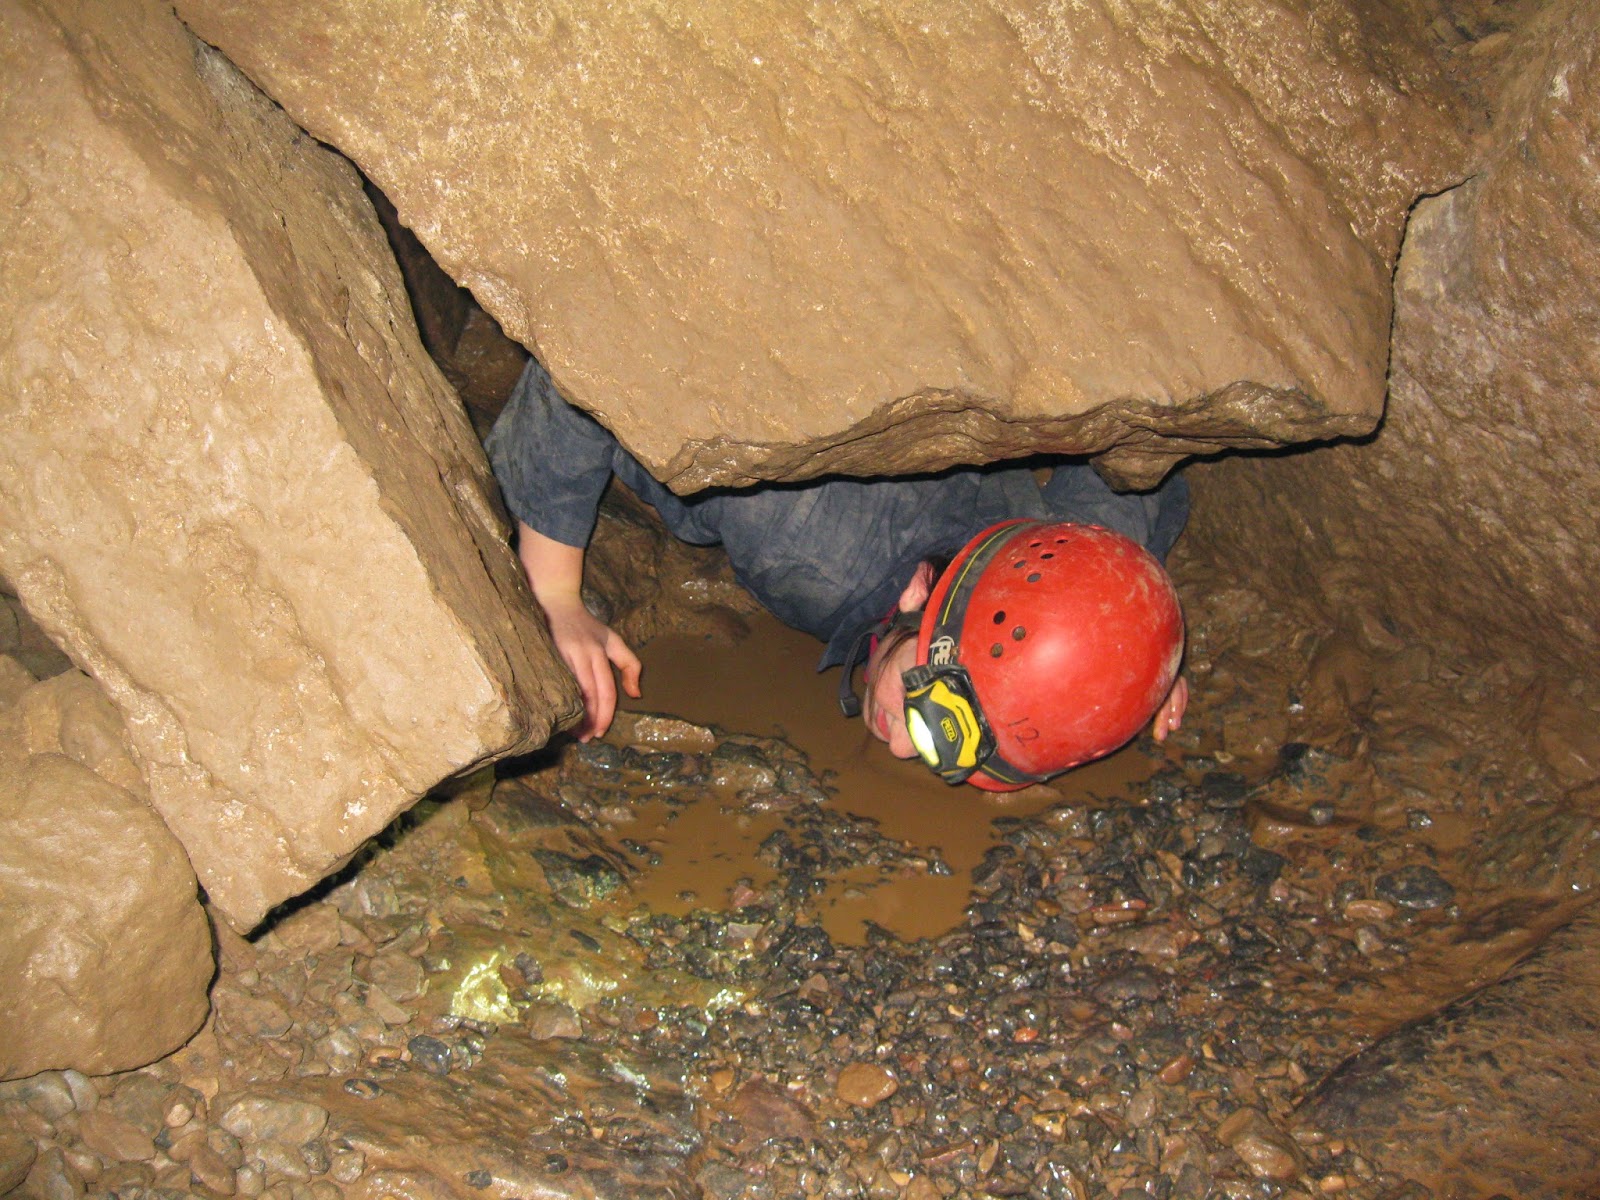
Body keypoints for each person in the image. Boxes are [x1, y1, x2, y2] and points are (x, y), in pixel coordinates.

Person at [487, 359, 1190, 787]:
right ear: (924, 598)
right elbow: (590, 368)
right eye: (938, 715)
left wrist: (1128, 647)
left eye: (955, 754)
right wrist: (554, 592)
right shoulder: (813, 547)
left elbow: (1138, 472)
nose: (902, 743)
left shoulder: (1031, 571)